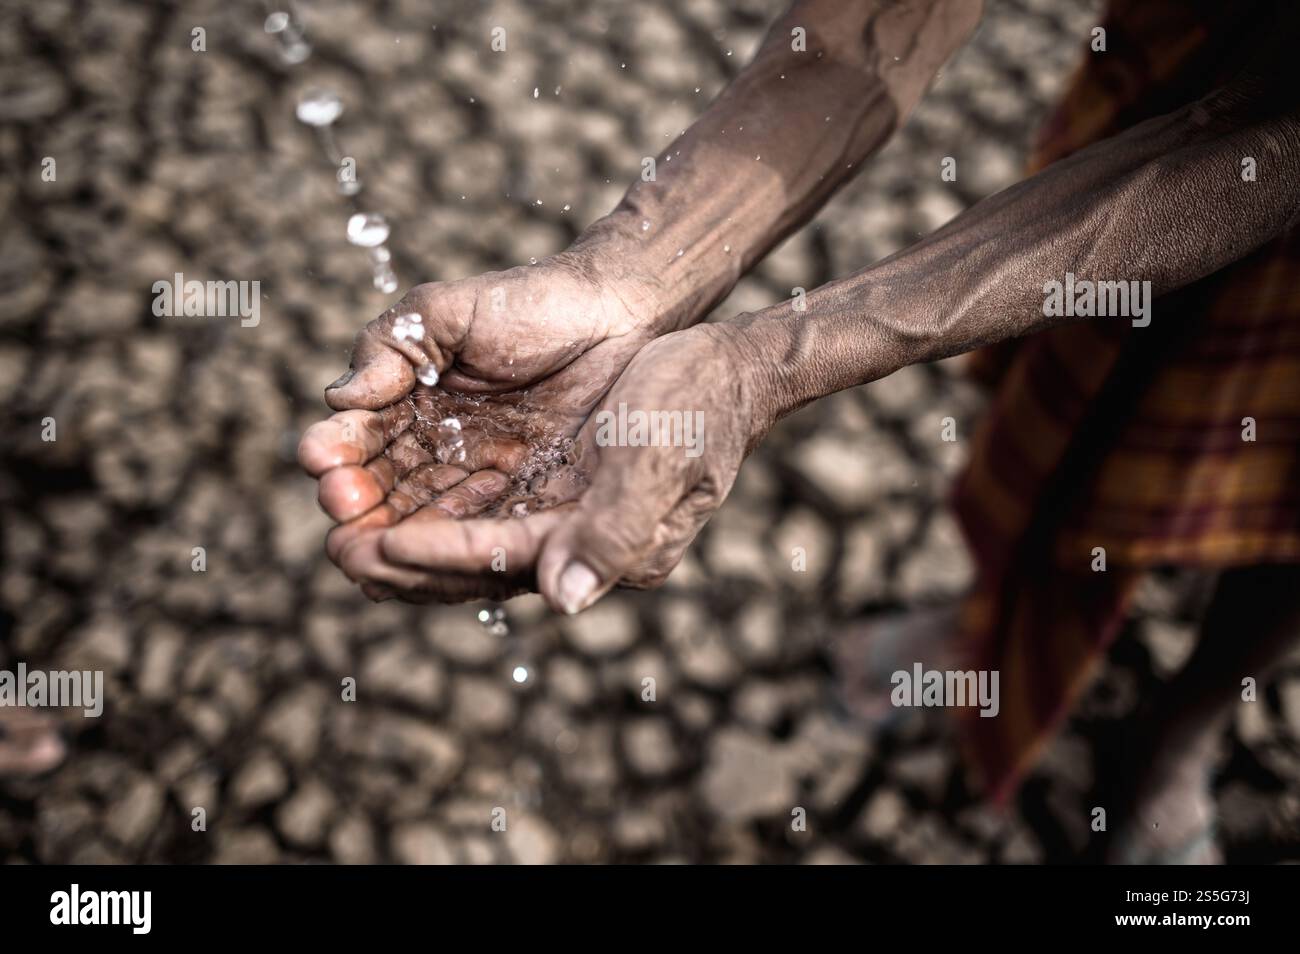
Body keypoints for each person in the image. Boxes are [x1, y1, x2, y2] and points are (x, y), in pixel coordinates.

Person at [299, 0, 1300, 862]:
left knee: (1281, 501)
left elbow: (1270, 130)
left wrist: (766, 361)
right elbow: (884, 16)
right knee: (1086, 388)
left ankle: (1190, 724)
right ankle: (989, 615)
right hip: (1181, 48)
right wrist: (627, 279)